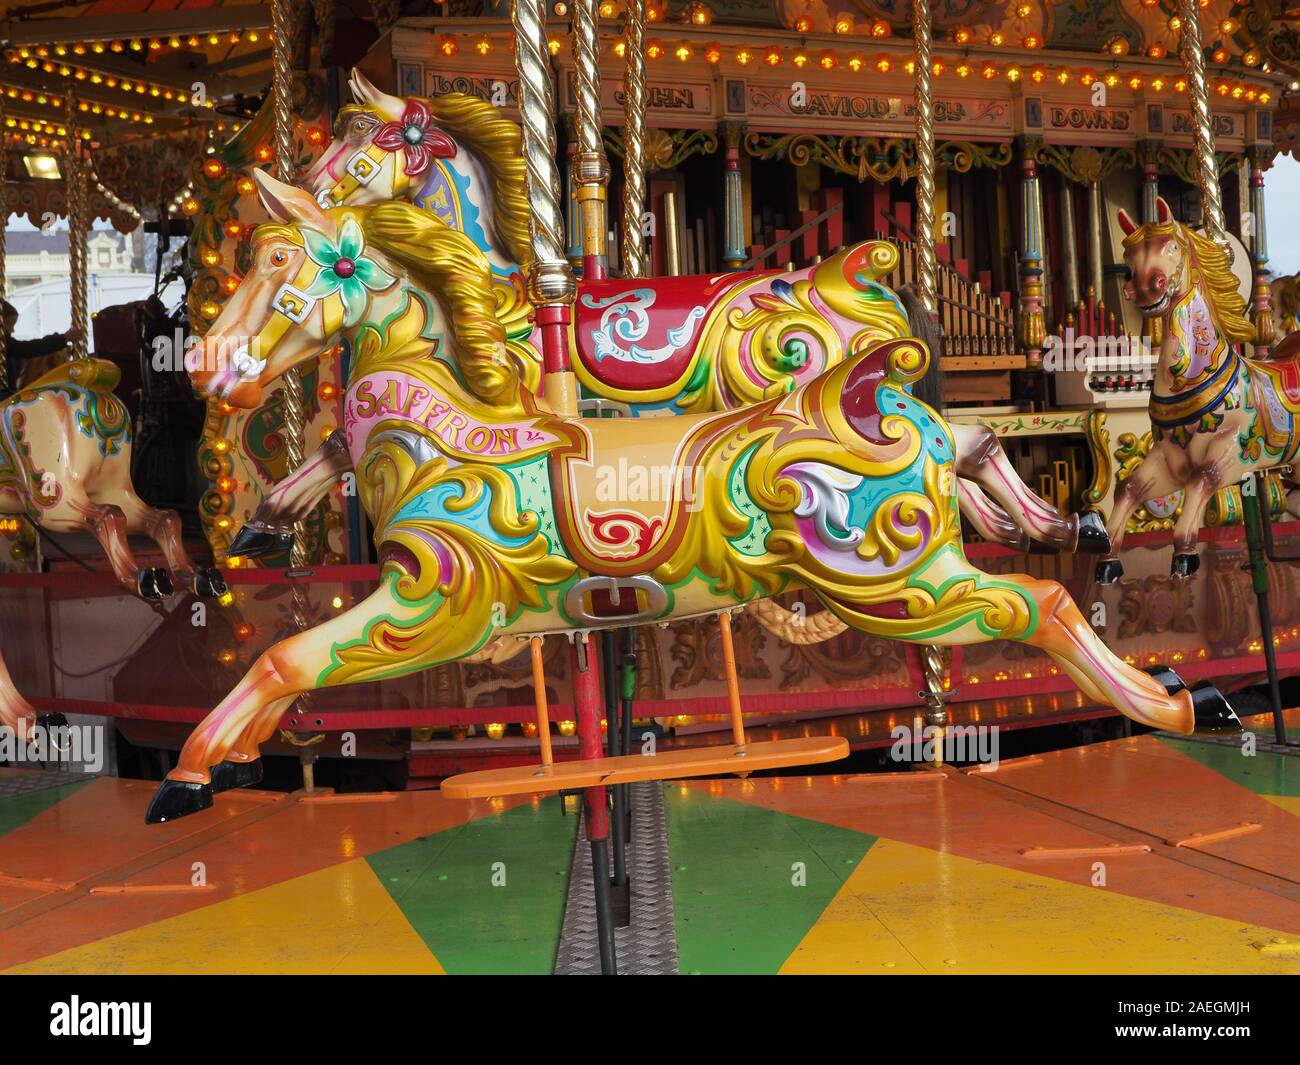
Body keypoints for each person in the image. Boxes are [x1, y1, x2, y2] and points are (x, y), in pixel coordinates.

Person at [2, 299, 71, 399]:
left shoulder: (10, 351)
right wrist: (64, 338)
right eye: (10, 325)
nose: (13, 330)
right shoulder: (9, 346)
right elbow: (27, 349)